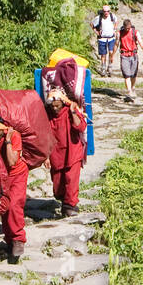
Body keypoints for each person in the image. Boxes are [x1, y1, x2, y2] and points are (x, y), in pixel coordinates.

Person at [0, 115, 29, 263]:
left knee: (15, 204)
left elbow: (11, 161)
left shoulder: (13, 136)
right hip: (0, 175)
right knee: (3, 206)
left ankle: (18, 239)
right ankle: (10, 239)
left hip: (17, 174)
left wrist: (8, 140)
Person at [45, 89, 87, 217]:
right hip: (56, 153)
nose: (55, 109)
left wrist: (73, 111)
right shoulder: (47, 115)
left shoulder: (69, 111)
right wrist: (45, 157)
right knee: (58, 183)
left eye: (57, 106)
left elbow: (80, 127)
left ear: (63, 103)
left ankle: (70, 205)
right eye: (53, 106)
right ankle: (65, 202)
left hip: (72, 151)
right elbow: (43, 136)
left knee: (71, 179)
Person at [118, 18, 143, 101]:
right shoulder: (120, 33)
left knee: (133, 74)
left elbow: (140, 41)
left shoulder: (135, 32)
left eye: (129, 28)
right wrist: (111, 55)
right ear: (124, 27)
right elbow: (116, 44)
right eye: (126, 28)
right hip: (124, 55)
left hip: (133, 55)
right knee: (127, 75)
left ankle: (132, 88)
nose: (127, 30)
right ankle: (129, 92)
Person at [91, 4, 118, 76]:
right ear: (102, 11)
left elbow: (116, 22)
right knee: (103, 54)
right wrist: (96, 32)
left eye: (108, 11)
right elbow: (92, 24)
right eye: (105, 11)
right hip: (102, 39)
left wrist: (114, 30)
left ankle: (110, 66)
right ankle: (103, 68)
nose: (106, 13)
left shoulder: (112, 16)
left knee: (111, 52)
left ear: (109, 11)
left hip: (111, 38)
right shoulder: (98, 18)